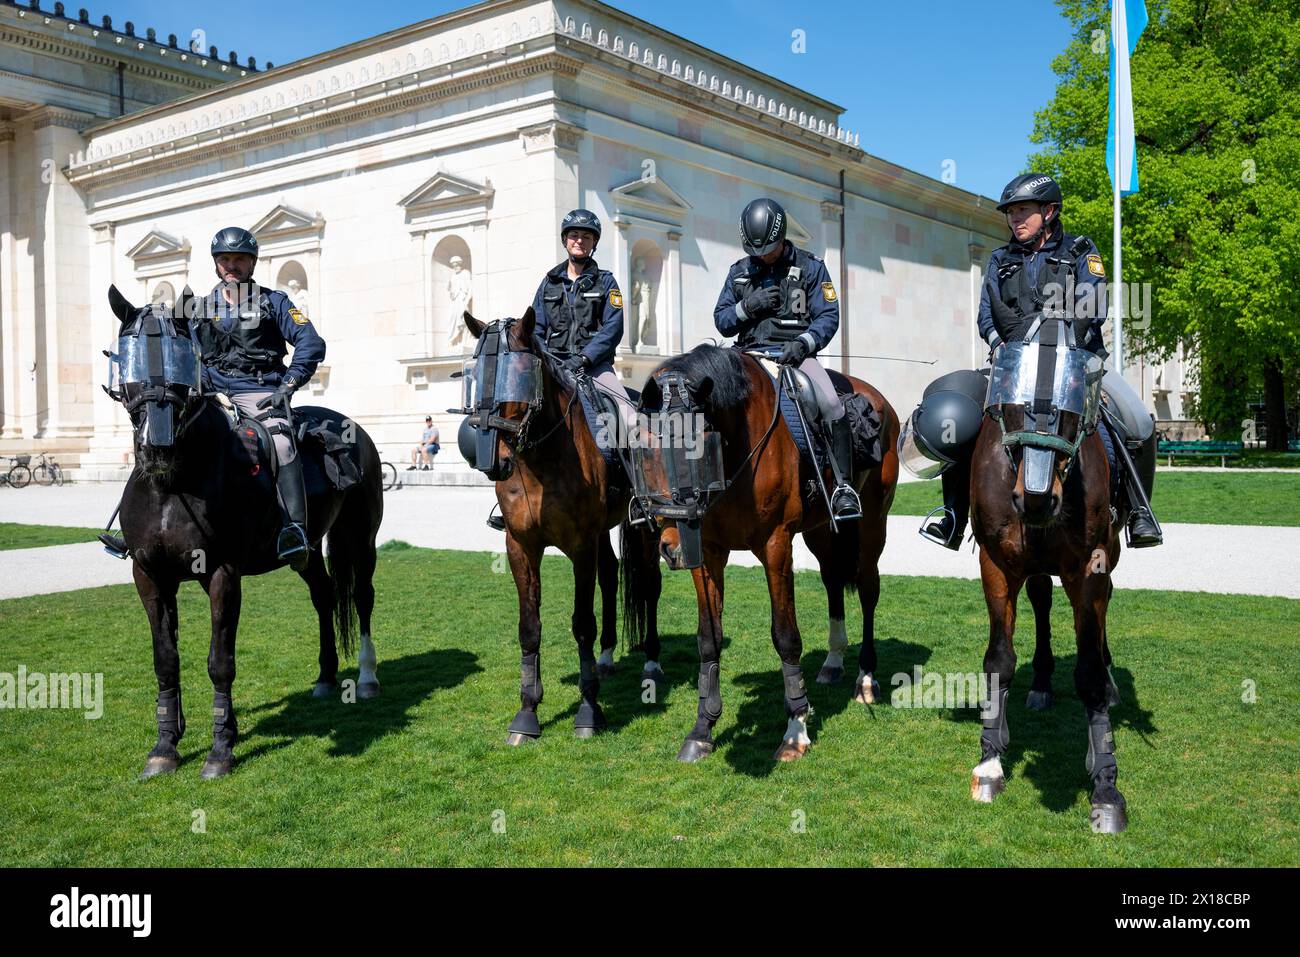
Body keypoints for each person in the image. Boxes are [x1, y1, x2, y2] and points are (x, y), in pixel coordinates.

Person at [916, 172, 1162, 549]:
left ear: (1049, 211)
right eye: (1011, 213)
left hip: (1078, 364)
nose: (1015, 220)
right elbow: (987, 314)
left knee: (1139, 421)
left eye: (1023, 211)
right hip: (1012, 366)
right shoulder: (1000, 260)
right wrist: (1000, 342)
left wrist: (1068, 341)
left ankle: (1139, 513)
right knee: (963, 418)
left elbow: (1093, 306)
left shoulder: (1081, 251)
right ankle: (952, 514)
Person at [712, 197, 860, 521]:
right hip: (748, 354)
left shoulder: (811, 266)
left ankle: (843, 487)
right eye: (756, 250)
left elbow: (828, 315)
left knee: (833, 404)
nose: (762, 256)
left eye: (768, 248)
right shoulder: (737, 272)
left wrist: (804, 343)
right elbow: (721, 320)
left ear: (781, 237)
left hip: (795, 356)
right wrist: (747, 307)